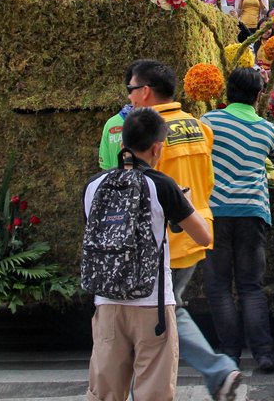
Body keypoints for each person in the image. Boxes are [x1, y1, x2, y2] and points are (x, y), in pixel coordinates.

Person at [99, 61, 241, 401]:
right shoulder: (198, 125)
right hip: (196, 229)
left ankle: (215, 371)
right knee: (168, 308)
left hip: (162, 240)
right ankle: (215, 372)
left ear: (145, 91)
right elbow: (207, 180)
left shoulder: (150, 134)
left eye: (132, 90)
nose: (130, 97)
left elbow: (135, 189)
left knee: (157, 315)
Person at [83, 106, 212, 401]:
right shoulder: (161, 185)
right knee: (153, 393)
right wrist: (185, 202)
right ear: (157, 147)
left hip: (106, 303)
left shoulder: (93, 186)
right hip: (152, 304)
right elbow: (202, 236)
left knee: (104, 394)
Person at [201, 69, 274, 373]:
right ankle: (263, 353)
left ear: (228, 92)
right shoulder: (265, 129)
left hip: (215, 212)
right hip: (252, 211)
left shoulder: (209, 122)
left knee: (217, 286)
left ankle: (229, 354)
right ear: (258, 96)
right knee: (251, 286)